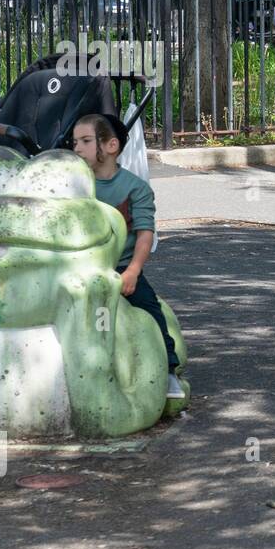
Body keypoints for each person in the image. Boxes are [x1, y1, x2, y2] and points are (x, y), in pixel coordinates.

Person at [72, 114, 184, 398]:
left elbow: (145, 233)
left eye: (85, 141)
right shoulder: (73, 186)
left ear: (111, 146)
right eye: (74, 142)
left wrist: (133, 270)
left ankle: (169, 371)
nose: (77, 149)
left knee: (150, 310)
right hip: (78, 268)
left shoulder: (135, 188)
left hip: (120, 266)